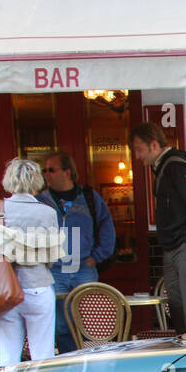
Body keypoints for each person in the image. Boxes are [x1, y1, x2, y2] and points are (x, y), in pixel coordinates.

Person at [0, 158, 63, 367]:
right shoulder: (48, 212)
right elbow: (51, 256)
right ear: (37, 181)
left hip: (2, 289)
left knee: (8, 357)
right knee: (43, 355)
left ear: (9, 179)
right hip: (38, 286)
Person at [129, 122, 186, 331]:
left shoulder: (175, 166)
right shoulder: (165, 168)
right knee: (178, 303)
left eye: (139, 149)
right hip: (176, 245)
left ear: (154, 145)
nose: (137, 156)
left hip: (185, 245)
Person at [38, 151, 116, 353]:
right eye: (44, 170)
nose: (46, 174)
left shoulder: (89, 197)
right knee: (60, 323)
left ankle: (90, 358)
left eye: (51, 170)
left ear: (67, 172)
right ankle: (67, 360)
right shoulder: (41, 201)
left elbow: (107, 227)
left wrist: (97, 257)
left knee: (89, 319)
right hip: (55, 269)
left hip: (83, 268)